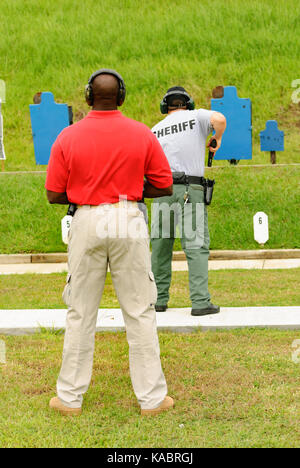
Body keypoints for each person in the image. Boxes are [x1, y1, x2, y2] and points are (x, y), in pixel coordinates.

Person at [45, 69, 174, 416]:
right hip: (127, 215)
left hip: (86, 219)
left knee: (80, 312)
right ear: (122, 96)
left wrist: (86, 192)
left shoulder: (67, 137)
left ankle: (69, 399)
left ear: (88, 96)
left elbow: (54, 194)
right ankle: (152, 399)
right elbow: (164, 186)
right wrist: (128, 190)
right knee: (139, 310)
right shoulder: (141, 133)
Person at [151, 86, 226, 316]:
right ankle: (200, 302)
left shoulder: (154, 130)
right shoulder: (196, 116)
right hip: (190, 189)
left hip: (161, 190)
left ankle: (158, 300)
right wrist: (217, 137)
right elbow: (220, 119)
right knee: (195, 244)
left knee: (160, 245)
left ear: (166, 106)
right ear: (187, 103)